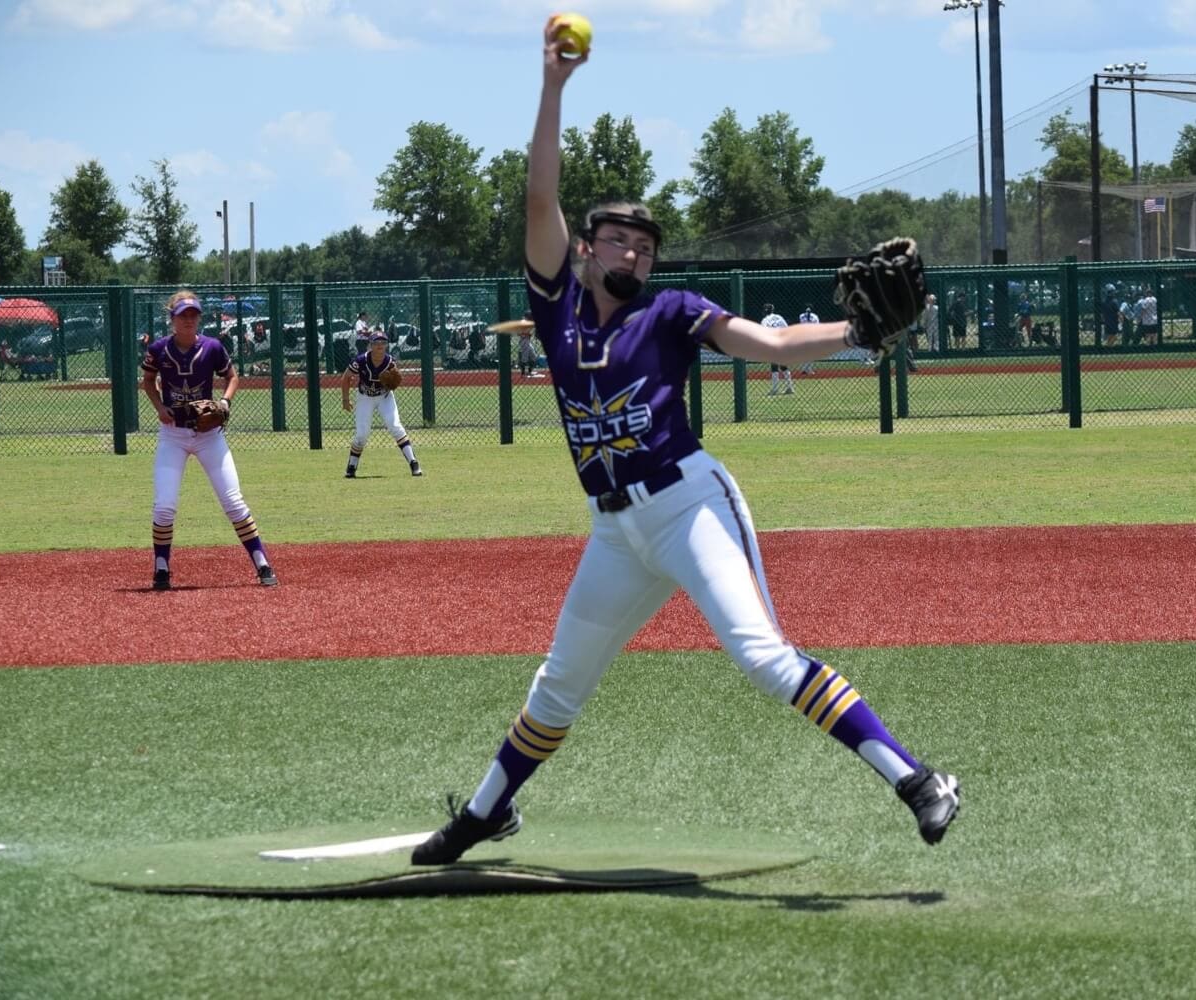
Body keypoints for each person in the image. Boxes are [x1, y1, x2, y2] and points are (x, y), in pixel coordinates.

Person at [410, 22, 959, 866]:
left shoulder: (668, 312)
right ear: (585, 250)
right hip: (614, 529)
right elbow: (537, 197)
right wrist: (553, 85)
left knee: (766, 661)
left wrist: (855, 331)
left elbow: (769, 347)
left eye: (647, 244)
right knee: (560, 684)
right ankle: (488, 812)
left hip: (687, 503)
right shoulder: (556, 307)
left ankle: (919, 781)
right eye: (619, 239)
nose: (635, 250)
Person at [140, 290, 277, 590]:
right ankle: (161, 568)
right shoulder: (159, 349)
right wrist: (160, 408)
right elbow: (148, 381)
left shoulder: (212, 347)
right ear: (172, 318)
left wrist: (225, 403)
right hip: (173, 434)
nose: (189, 320)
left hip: (208, 435)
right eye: (182, 315)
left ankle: (261, 561)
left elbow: (232, 376)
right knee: (164, 505)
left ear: (199, 317)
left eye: (193, 314)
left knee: (233, 501)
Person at [341, 328, 422, 478]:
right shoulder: (361, 361)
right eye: (376, 342)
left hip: (385, 397)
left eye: (383, 342)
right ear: (370, 345)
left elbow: (395, 379)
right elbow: (346, 377)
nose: (380, 346)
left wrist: (393, 382)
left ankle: (414, 463)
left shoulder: (390, 362)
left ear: (386, 345)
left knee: (395, 426)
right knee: (362, 434)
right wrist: (345, 399)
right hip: (365, 397)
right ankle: (351, 466)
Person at [761, 303, 794, 394]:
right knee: (783, 365)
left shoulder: (764, 320)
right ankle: (790, 387)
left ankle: (775, 389)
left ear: (765, 311)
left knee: (774, 366)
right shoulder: (779, 317)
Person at [517, 310, 542, 378]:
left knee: (533, 357)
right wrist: (527, 333)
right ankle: (523, 373)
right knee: (525, 358)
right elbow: (519, 333)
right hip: (524, 341)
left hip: (527, 341)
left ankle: (529, 372)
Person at [797, 303, 819, 374]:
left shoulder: (813, 316)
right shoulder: (803, 316)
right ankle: (806, 369)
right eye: (807, 308)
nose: (808, 310)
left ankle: (807, 369)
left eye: (809, 308)